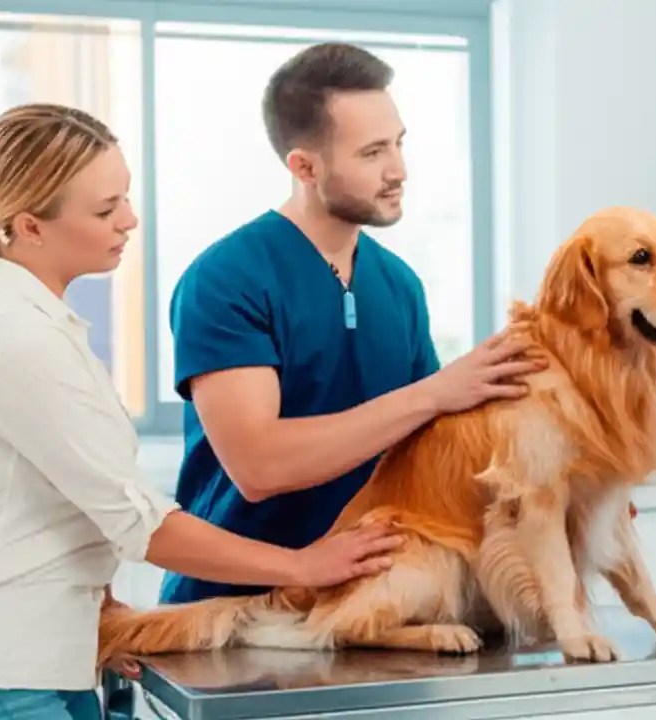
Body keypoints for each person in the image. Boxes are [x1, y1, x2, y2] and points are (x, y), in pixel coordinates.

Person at [0, 103, 404, 719]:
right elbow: (140, 522)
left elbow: (59, 509)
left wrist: (95, 621)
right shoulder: (16, 338)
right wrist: (302, 565)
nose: (129, 219)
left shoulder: (41, 325)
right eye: (104, 210)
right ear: (31, 226)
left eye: (124, 197)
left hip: (38, 659)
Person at [159, 41, 544, 605]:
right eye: (372, 154)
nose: (399, 171)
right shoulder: (225, 279)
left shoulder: (399, 286)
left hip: (369, 602)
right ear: (304, 166)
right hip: (234, 610)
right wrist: (434, 393)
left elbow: (427, 452)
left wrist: (554, 487)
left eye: (398, 144)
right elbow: (260, 465)